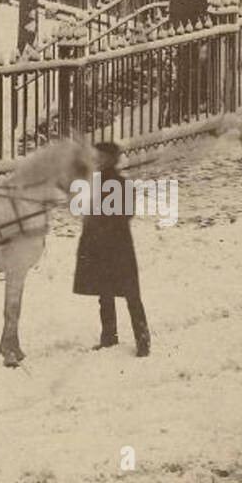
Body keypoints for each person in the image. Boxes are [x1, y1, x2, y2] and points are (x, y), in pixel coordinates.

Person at [73, 141, 150, 357]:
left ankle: (120, 337)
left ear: (111, 159)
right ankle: (130, 339)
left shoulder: (106, 184)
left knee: (118, 292)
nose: (97, 159)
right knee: (121, 292)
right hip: (116, 244)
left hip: (111, 244)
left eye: (101, 156)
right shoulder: (98, 183)